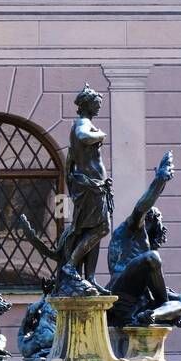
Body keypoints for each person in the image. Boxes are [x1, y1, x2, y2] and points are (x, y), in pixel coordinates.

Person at [106, 151, 181, 328]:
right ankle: (164, 307)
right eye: (147, 220)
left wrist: (175, 309)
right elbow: (141, 207)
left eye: (150, 223)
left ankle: (154, 314)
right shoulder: (131, 228)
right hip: (120, 291)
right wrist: (160, 180)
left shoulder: (147, 246)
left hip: (141, 298)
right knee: (152, 258)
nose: (145, 224)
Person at [57, 85, 111, 294]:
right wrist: (100, 134)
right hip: (91, 186)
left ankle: (90, 277)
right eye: (97, 102)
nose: (100, 106)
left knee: (92, 231)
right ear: (88, 103)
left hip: (94, 185)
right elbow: (84, 136)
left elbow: (70, 158)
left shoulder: (85, 123)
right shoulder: (82, 123)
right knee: (101, 228)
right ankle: (71, 265)